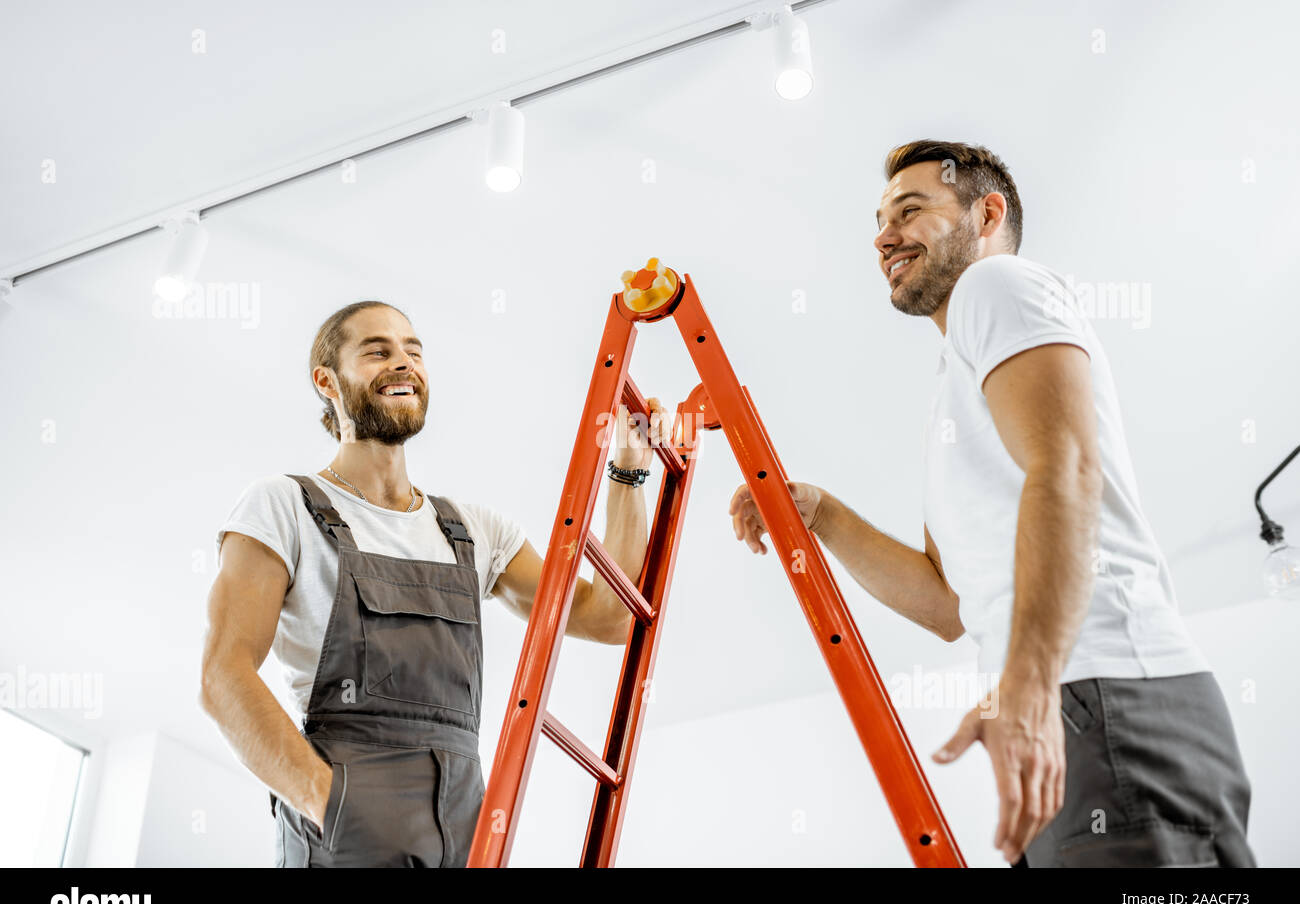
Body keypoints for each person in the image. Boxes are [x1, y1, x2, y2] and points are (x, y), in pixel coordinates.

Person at [728, 140, 1256, 867]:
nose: (884, 236)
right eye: (879, 221)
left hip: (1098, 694)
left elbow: (1066, 466)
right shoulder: (957, 385)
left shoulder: (994, 285)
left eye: (910, 211)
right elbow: (950, 606)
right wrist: (821, 513)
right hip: (1068, 706)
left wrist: (1031, 690)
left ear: (987, 213)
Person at [200, 299, 670, 867]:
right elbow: (223, 677)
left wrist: (626, 473)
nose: (403, 362)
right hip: (345, 823)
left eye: (413, 351)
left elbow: (611, 617)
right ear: (326, 381)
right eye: (377, 351)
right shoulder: (284, 504)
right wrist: (329, 808)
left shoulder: (474, 530)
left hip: (466, 824)